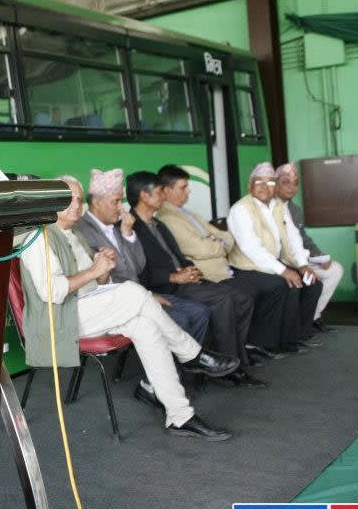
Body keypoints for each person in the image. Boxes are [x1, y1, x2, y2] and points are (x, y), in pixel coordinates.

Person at [20, 175, 239, 441]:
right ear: (50, 202)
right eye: (70, 200)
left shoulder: (74, 232)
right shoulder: (38, 237)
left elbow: (96, 284)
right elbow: (52, 292)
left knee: (145, 327)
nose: (77, 206)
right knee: (134, 293)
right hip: (58, 319)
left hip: (88, 307)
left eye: (79, 199)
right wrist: (93, 271)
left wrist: (102, 269)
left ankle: (180, 416)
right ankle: (191, 354)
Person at [126, 171, 264, 389]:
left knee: (241, 298)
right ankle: (228, 372)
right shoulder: (130, 229)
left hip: (184, 279)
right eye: (161, 191)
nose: (164, 195)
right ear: (144, 195)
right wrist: (173, 276)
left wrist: (191, 270)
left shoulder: (158, 224)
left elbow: (178, 256)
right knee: (223, 300)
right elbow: (135, 272)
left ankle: (233, 359)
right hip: (165, 287)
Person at [156, 164, 291, 360]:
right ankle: (236, 354)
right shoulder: (168, 218)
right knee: (247, 294)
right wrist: (217, 244)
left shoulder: (187, 213)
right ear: (167, 190)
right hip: (210, 275)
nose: (189, 191)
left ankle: (248, 346)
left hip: (224, 270)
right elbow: (202, 248)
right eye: (183, 187)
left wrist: (215, 242)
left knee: (268, 287)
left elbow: (226, 237)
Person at [76, 167, 209, 346]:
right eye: (115, 202)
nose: (120, 207)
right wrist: (146, 297)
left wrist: (128, 234)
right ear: (98, 202)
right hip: (122, 301)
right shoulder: (82, 230)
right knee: (181, 319)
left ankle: (191, 370)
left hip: (142, 292)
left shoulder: (117, 226)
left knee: (200, 312)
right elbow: (103, 280)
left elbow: (139, 266)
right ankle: (185, 369)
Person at [227, 162, 323, 352]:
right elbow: (251, 248)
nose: (265, 187)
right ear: (250, 186)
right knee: (286, 284)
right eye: (259, 183)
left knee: (312, 282)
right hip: (248, 266)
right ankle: (266, 343)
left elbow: (293, 236)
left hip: (272, 263)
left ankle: (298, 335)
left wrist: (302, 265)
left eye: (270, 183)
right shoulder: (241, 209)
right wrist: (283, 270)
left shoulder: (278, 206)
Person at [275, 162, 343, 331]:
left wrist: (320, 256)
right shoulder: (268, 207)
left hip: (301, 259)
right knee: (309, 281)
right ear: (274, 183)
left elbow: (303, 238)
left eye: (295, 183)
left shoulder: (295, 209)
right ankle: (300, 322)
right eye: (285, 182)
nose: (291, 187)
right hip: (282, 262)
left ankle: (313, 316)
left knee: (334, 269)